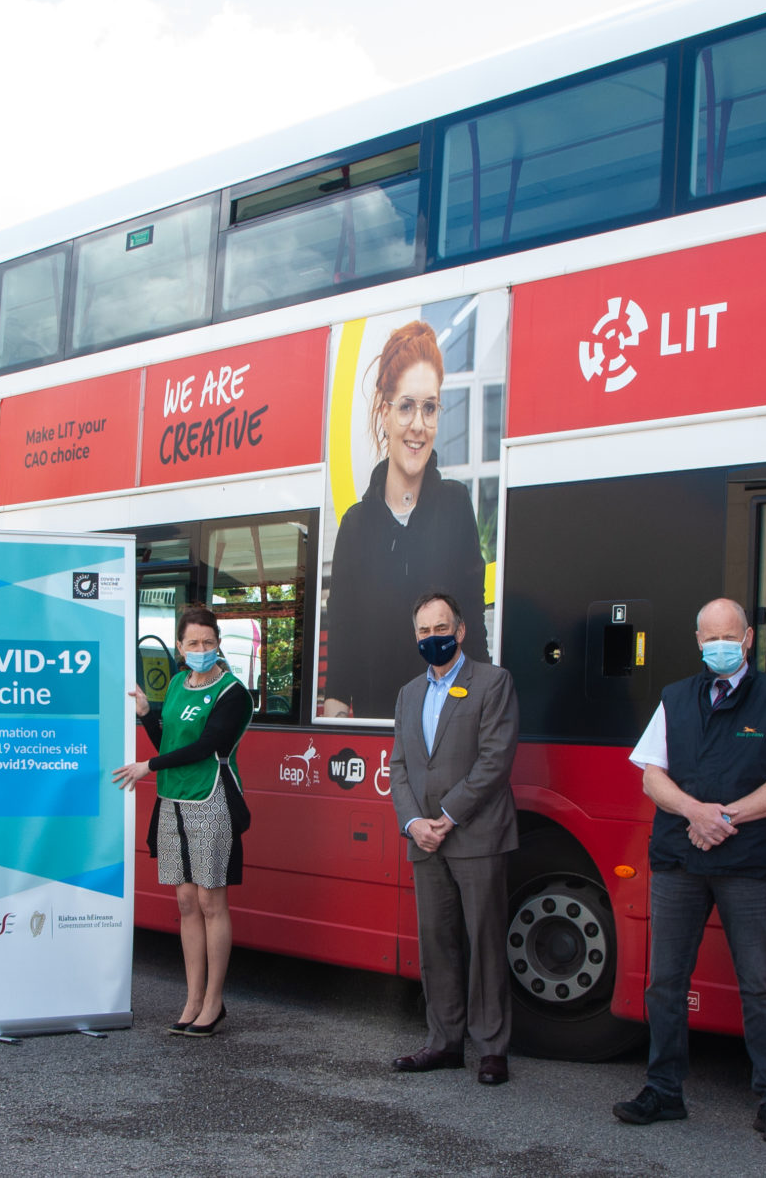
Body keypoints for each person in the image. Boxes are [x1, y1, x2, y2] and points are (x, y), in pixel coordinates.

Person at [614, 598, 766, 1144]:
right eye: (710, 639)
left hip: (748, 865)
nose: (720, 647)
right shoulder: (675, 698)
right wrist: (695, 813)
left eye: (729, 637)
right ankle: (663, 1090)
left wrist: (724, 818)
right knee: (665, 982)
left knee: (759, 985)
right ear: (698, 642)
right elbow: (651, 776)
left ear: (748, 639)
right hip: (680, 860)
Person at [324, 320, 486, 718]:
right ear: (385, 413)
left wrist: (482, 715)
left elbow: (474, 629)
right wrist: (335, 721)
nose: (418, 425)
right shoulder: (355, 526)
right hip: (374, 732)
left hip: (446, 727)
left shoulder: (455, 505)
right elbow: (343, 644)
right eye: (407, 406)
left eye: (429, 408)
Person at [388, 590, 518, 1085]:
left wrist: (446, 816)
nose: (433, 637)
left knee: (485, 943)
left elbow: (495, 760)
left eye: (441, 628)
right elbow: (399, 766)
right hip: (424, 840)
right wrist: (413, 823)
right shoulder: (408, 693)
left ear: (460, 631)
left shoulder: (493, 682)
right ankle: (443, 1043)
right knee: (436, 943)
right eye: (424, 631)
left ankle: (491, 1049)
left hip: (476, 835)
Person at [112, 605, 254, 1038]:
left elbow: (207, 746)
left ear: (218, 643)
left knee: (212, 903)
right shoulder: (176, 684)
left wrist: (147, 766)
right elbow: (169, 742)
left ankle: (214, 1001)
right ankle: (192, 999)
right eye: (193, 642)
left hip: (211, 800)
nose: (201, 648)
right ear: (179, 646)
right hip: (172, 800)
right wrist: (145, 714)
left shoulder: (233, 693)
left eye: (208, 642)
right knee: (187, 902)